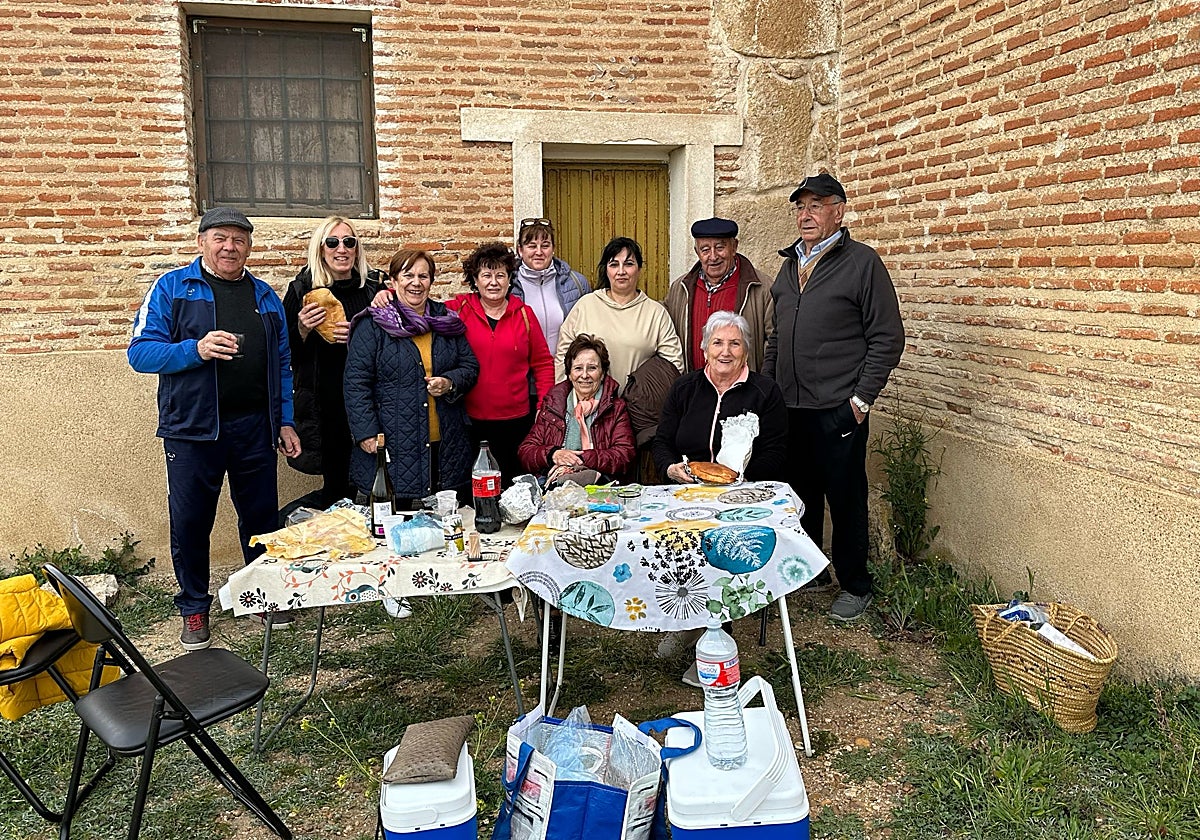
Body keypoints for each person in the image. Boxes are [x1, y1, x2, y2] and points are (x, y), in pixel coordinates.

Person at [128, 207, 301, 651]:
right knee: (191, 521)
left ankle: (263, 594)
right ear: (202, 242)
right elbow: (141, 353)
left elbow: (282, 363)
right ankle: (193, 607)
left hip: (254, 428)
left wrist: (284, 420)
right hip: (192, 430)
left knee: (261, 519)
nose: (230, 247)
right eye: (220, 238)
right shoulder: (172, 288)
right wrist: (197, 349)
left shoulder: (264, 296)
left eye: (239, 239)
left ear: (249, 246)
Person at [763, 173, 905, 622]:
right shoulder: (789, 266)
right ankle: (810, 571)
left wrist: (861, 401)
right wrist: (768, 392)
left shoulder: (862, 263)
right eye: (800, 207)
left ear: (839, 211)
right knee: (799, 497)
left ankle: (855, 584)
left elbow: (887, 338)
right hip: (791, 407)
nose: (806, 215)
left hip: (839, 408)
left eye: (816, 205)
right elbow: (776, 337)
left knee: (845, 498)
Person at [343, 249, 479, 509]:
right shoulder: (373, 325)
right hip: (394, 445)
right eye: (408, 275)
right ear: (393, 281)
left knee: (447, 524)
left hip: (445, 446)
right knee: (396, 525)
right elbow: (356, 384)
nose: (416, 283)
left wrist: (449, 382)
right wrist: (366, 433)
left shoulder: (445, 320)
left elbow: (469, 367)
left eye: (423, 276)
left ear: (431, 282)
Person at [282, 216, 381, 507]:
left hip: (370, 400)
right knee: (337, 485)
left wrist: (361, 335)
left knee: (378, 481)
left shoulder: (373, 290)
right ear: (320, 248)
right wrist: (302, 329)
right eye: (332, 242)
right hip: (325, 403)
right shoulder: (303, 291)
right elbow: (284, 353)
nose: (342, 249)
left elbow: (394, 345)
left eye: (349, 242)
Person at [446, 242, 554, 483]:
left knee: (514, 488)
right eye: (486, 275)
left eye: (500, 275)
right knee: (476, 488)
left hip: (517, 422)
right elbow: (421, 309)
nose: (493, 282)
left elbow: (543, 363)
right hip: (470, 421)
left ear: (509, 279)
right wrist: (387, 293)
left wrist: (543, 407)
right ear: (475, 280)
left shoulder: (524, 314)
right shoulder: (459, 310)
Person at [653, 311, 788, 484]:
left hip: (746, 489)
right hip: (687, 488)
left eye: (735, 344)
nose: (725, 352)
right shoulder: (683, 388)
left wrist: (740, 481)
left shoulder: (766, 392)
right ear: (705, 350)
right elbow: (662, 442)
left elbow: (775, 451)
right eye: (717, 343)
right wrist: (670, 468)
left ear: (746, 353)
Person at [555, 236, 684, 390]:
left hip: (636, 404)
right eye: (614, 264)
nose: (621, 271)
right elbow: (563, 357)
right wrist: (566, 397)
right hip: (588, 403)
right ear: (606, 270)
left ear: (639, 269)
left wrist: (647, 394)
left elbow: (673, 365)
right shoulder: (586, 305)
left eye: (628, 264)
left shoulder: (656, 313)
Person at [518, 334, 636, 486]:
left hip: (601, 487)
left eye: (592, 368)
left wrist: (581, 459)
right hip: (555, 487)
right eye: (578, 368)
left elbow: (625, 455)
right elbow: (526, 452)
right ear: (569, 374)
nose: (584, 375)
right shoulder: (553, 405)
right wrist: (553, 454)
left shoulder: (616, 408)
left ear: (602, 374)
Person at [664, 217, 775, 373]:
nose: (713, 256)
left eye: (720, 247)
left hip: (744, 386)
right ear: (697, 252)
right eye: (705, 250)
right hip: (693, 385)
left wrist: (762, 382)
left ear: (734, 247)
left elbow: (774, 343)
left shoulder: (762, 288)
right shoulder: (680, 288)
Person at [509, 217, 591, 356]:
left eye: (545, 245)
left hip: (565, 366)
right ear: (520, 250)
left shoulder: (577, 283)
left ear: (553, 249)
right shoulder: (509, 285)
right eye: (532, 246)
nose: (539, 252)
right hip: (524, 367)